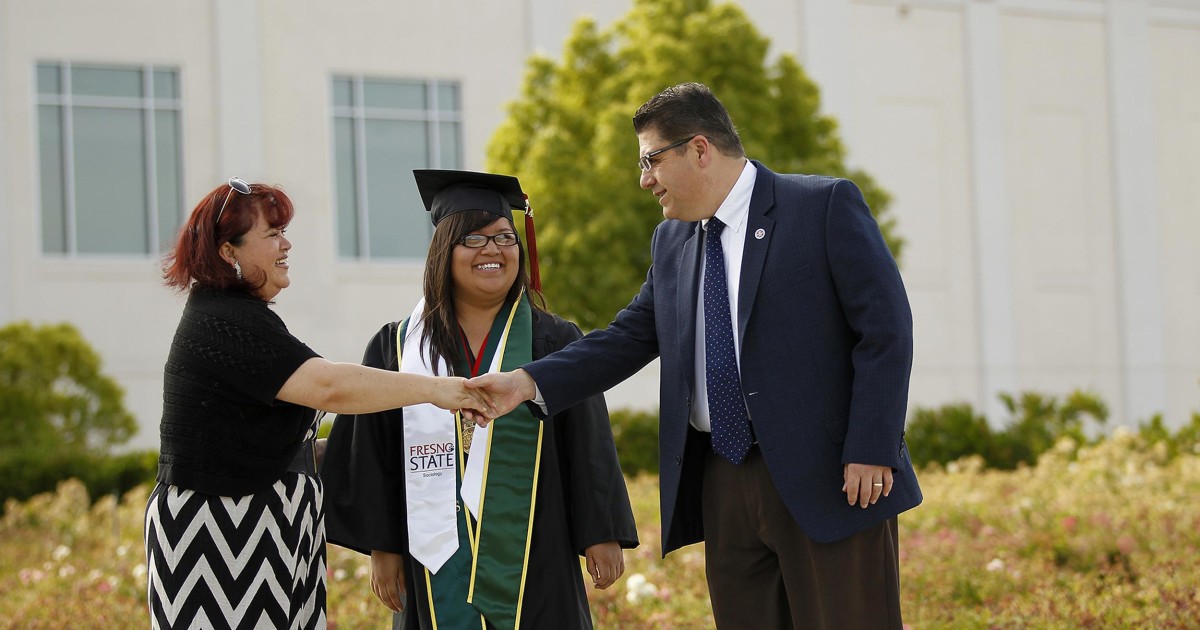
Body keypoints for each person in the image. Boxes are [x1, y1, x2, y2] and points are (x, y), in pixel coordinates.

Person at [467, 82, 922, 629]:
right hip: (722, 479)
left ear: (699, 149)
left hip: (831, 478)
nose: (644, 179)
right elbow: (628, 337)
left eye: (651, 160)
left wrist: (872, 445)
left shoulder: (821, 205)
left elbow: (886, 329)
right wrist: (525, 382)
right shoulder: (673, 242)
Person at [145, 177, 493, 630]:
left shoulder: (243, 316)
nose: (286, 244)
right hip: (222, 534)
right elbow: (328, 386)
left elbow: (276, 435)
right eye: (271, 234)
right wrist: (438, 390)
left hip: (269, 526)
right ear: (228, 251)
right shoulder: (222, 322)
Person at [320, 169, 638, 629]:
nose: (493, 250)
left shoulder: (553, 340)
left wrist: (600, 532)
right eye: (474, 239)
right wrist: (382, 546)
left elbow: (587, 441)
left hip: (535, 548)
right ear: (443, 252)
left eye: (505, 238)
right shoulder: (397, 348)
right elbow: (373, 454)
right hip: (430, 557)